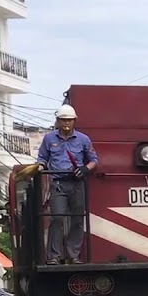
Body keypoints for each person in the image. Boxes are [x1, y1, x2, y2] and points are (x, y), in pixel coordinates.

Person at [38, 104, 99, 265]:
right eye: (63, 120)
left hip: (77, 183)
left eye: (69, 121)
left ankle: (73, 255)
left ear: (74, 121)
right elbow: (42, 158)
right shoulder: (49, 138)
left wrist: (85, 169)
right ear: (58, 121)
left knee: (78, 219)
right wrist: (40, 167)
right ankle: (54, 256)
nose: (66, 124)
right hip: (58, 183)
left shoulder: (83, 139)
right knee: (57, 218)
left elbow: (94, 161)